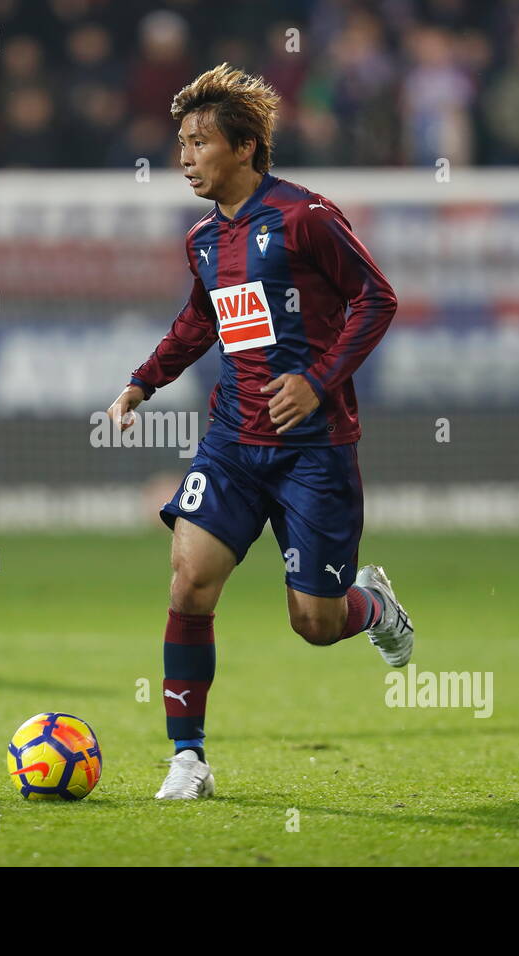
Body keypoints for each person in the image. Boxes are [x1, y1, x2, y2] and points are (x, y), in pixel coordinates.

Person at [106, 65, 410, 799]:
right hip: (233, 442)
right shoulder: (204, 239)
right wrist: (143, 380)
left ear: (244, 148)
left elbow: (377, 299)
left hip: (315, 451)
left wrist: (317, 381)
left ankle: (373, 607)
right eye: (180, 142)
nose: (184, 156)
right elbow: (199, 319)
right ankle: (189, 758)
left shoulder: (307, 217)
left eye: (200, 141)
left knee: (314, 621)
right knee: (189, 583)